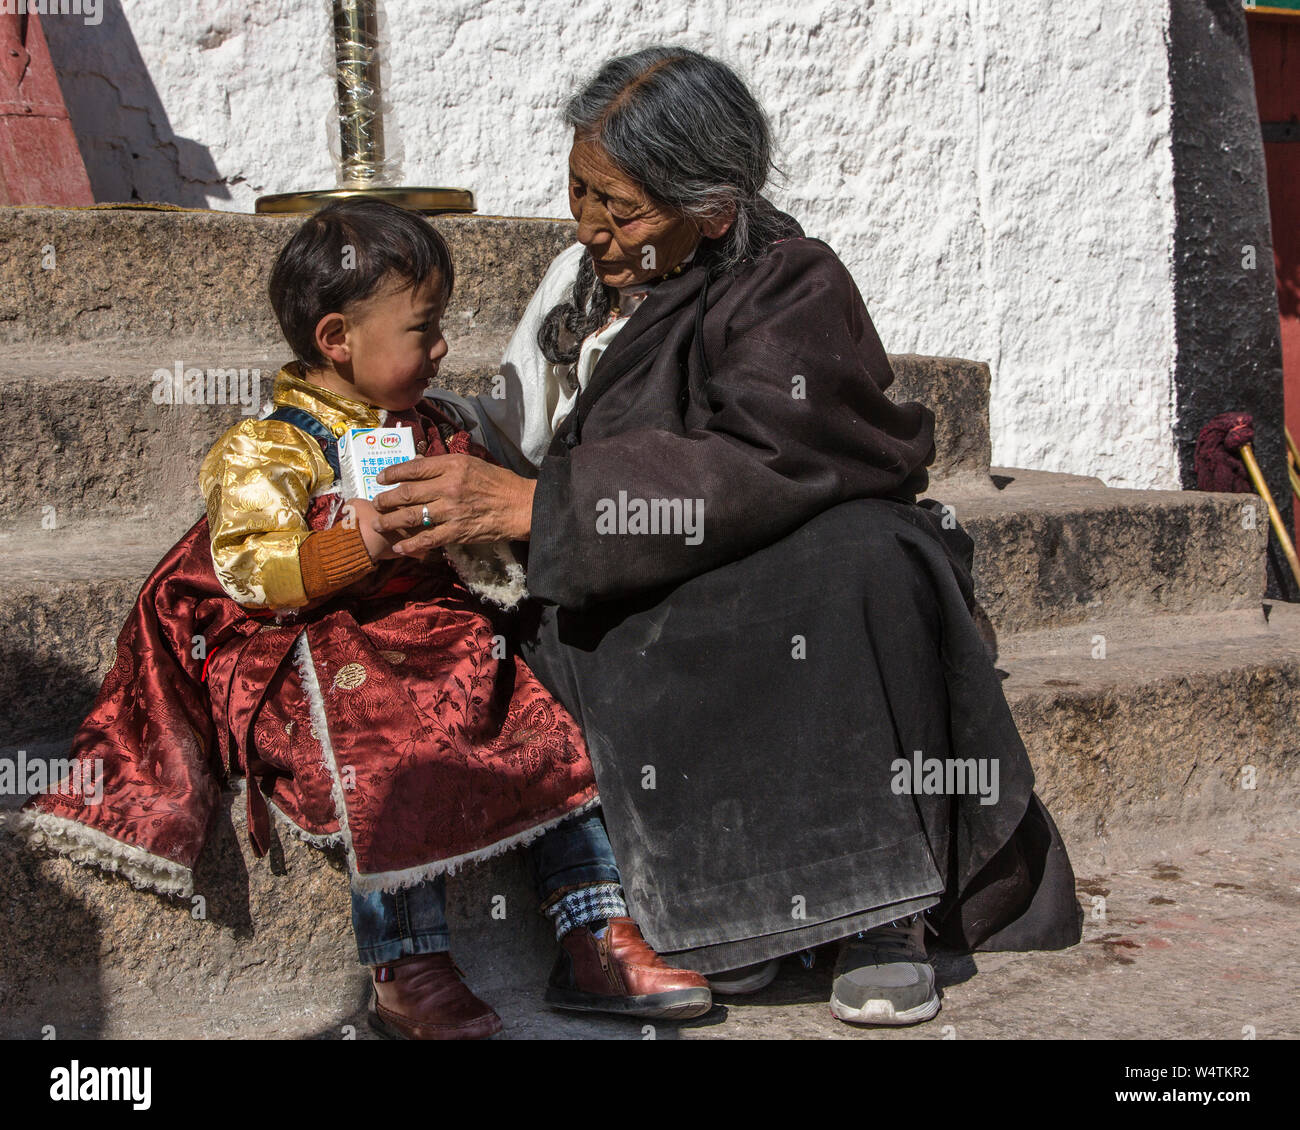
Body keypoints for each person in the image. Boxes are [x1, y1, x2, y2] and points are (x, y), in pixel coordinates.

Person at [372, 47, 1083, 1027]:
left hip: (767, 570)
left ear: (712, 208)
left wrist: (542, 509)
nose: (590, 226)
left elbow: (769, 455)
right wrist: (405, 453)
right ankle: (692, 921)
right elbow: (508, 434)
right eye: (580, 191)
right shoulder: (572, 287)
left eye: (621, 209)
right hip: (627, 587)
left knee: (876, 555)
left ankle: (883, 915)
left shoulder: (789, 283)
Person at [12, 197, 711, 1040]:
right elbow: (252, 568)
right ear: (338, 340)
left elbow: (484, 545)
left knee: (542, 714)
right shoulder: (265, 450)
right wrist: (359, 542)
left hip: (432, 635)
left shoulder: (432, 423)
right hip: (315, 652)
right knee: (384, 744)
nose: (442, 346)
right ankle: (407, 963)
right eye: (423, 328)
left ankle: (592, 927)